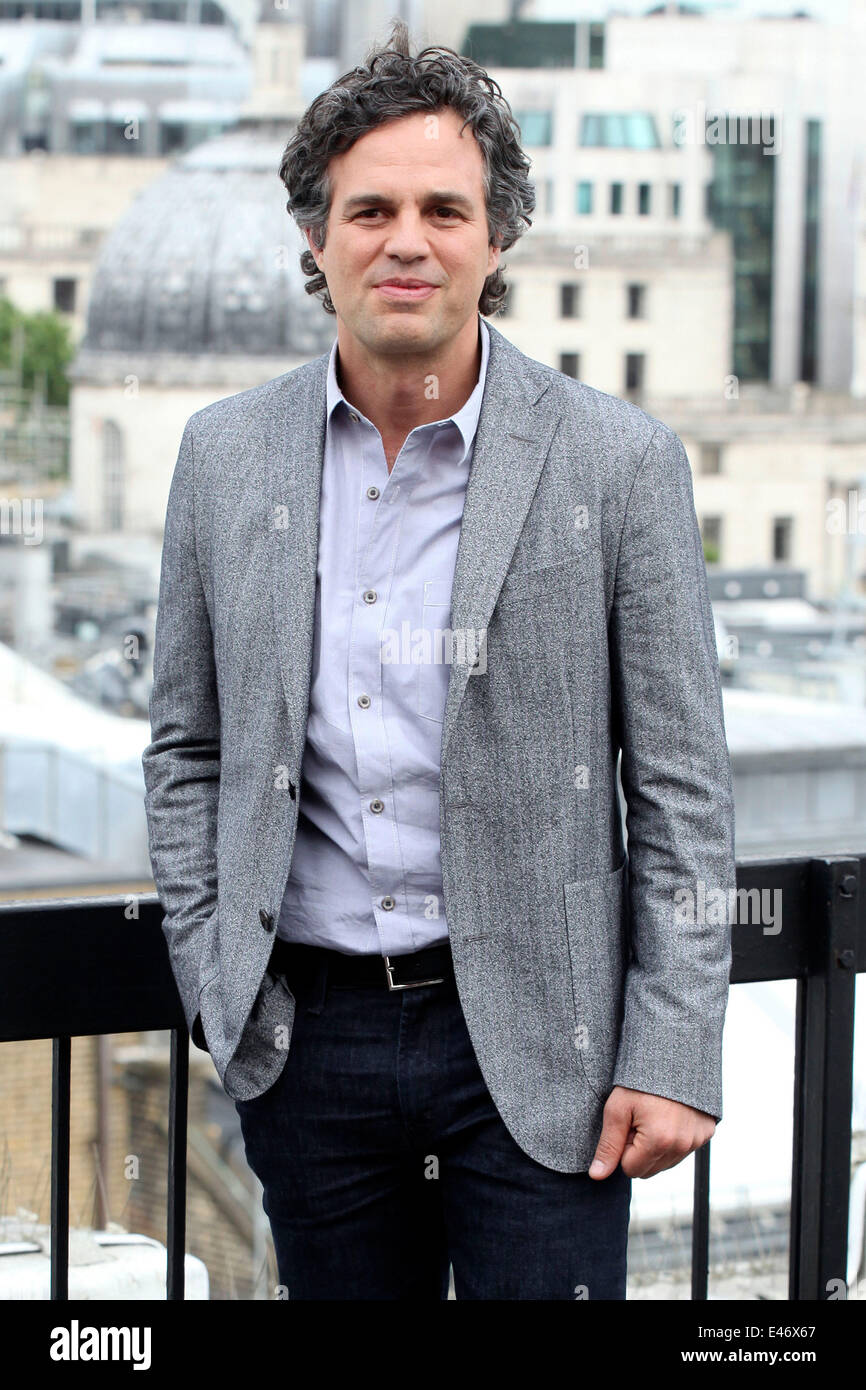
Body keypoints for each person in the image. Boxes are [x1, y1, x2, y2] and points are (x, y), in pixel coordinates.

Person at [142, 20, 736, 1301]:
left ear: (495, 238)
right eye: (368, 209)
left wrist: (674, 1047)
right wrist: (216, 983)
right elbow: (187, 746)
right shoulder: (223, 456)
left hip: (539, 1042)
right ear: (316, 239)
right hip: (311, 1041)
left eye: (441, 208)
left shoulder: (618, 464)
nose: (404, 240)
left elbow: (684, 781)